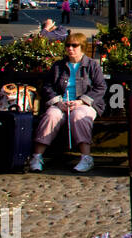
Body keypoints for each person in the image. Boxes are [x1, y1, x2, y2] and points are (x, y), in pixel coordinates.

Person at [28, 31, 106, 173]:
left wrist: (81, 102)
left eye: (74, 46)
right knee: (51, 116)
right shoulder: (58, 66)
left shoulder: (92, 65)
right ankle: (37, 156)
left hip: (83, 104)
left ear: (82, 47)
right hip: (61, 103)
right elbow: (47, 86)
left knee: (79, 116)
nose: (70, 48)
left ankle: (86, 157)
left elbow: (100, 87)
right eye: (68, 45)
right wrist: (58, 102)